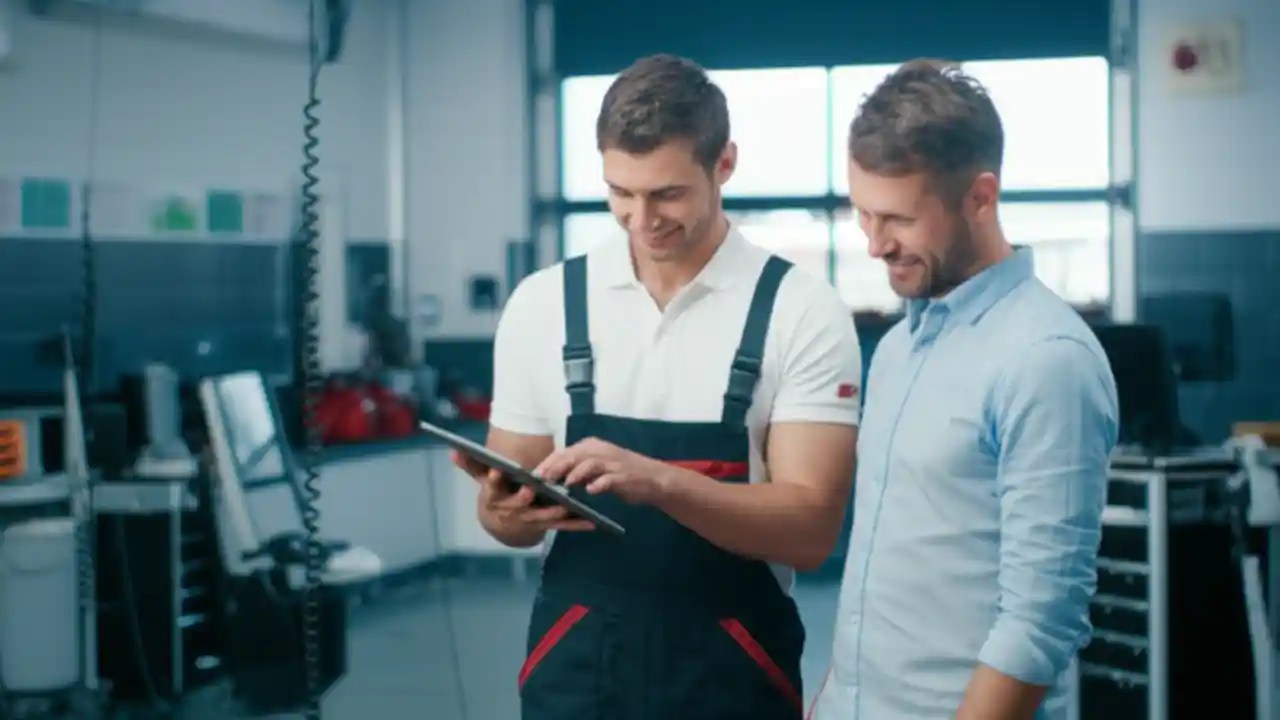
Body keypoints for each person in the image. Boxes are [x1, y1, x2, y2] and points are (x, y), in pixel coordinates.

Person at [451, 53, 863, 719]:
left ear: (724, 164)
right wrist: (502, 515)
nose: (642, 220)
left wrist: (659, 482)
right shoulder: (543, 304)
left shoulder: (800, 310)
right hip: (576, 666)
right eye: (621, 192)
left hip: (732, 669)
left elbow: (810, 531)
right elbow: (510, 518)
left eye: (667, 194)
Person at [809, 60, 1120, 720]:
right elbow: (877, 570)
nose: (873, 244)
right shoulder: (897, 349)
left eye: (896, 219)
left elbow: (1039, 623)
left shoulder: (1046, 360)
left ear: (980, 197)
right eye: (863, 214)